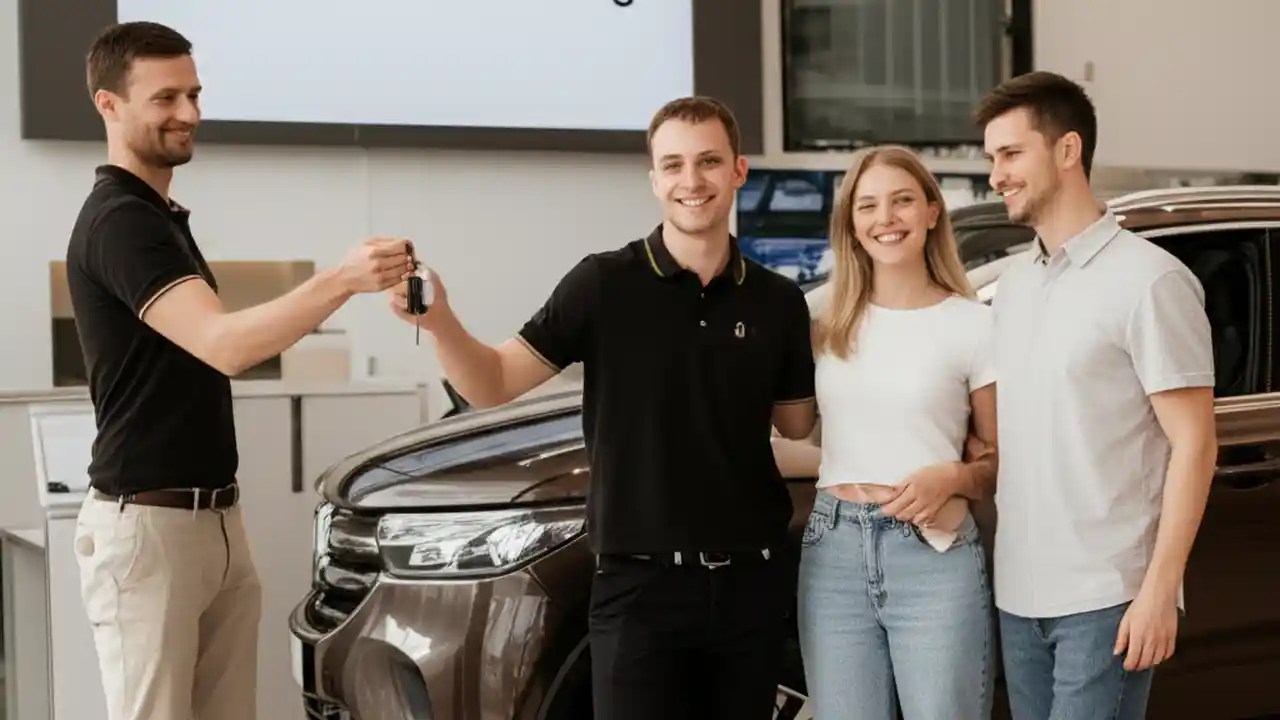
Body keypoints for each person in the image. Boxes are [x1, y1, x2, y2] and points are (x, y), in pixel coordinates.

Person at [389, 95, 817, 719]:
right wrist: (442, 319)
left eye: (707, 162)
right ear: (653, 179)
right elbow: (494, 382)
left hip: (749, 587)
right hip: (637, 588)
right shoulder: (603, 284)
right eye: (672, 165)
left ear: (739, 170)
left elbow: (797, 422)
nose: (690, 181)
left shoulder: (779, 302)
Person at [67, 21, 410, 720]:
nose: (189, 114)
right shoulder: (120, 222)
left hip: (213, 523)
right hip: (150, 532)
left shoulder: (160, 217)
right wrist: (341, 280)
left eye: (194, 94)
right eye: (166, 98)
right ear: (109, 105)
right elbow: (225, 345)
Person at [976, 71, 1218, 719]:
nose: (996, 174)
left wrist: (1160, 591)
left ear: (1067, 150)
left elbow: (1195, 445)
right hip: (1020, 592)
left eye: (1010, 153)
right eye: (991, 158)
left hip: (1107, 596)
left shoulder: (1150, 281)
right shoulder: (1016, 286)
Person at [771, 145, 999, 719]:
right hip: (834, 552)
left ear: (931, 211)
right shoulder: (826, 331)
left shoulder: (975, 325)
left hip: (933, 555)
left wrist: (955, 475)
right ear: (851, 225)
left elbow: (1001, 462)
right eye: (867, 206)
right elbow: (805, 433)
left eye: (901, 201)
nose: (885, 218)